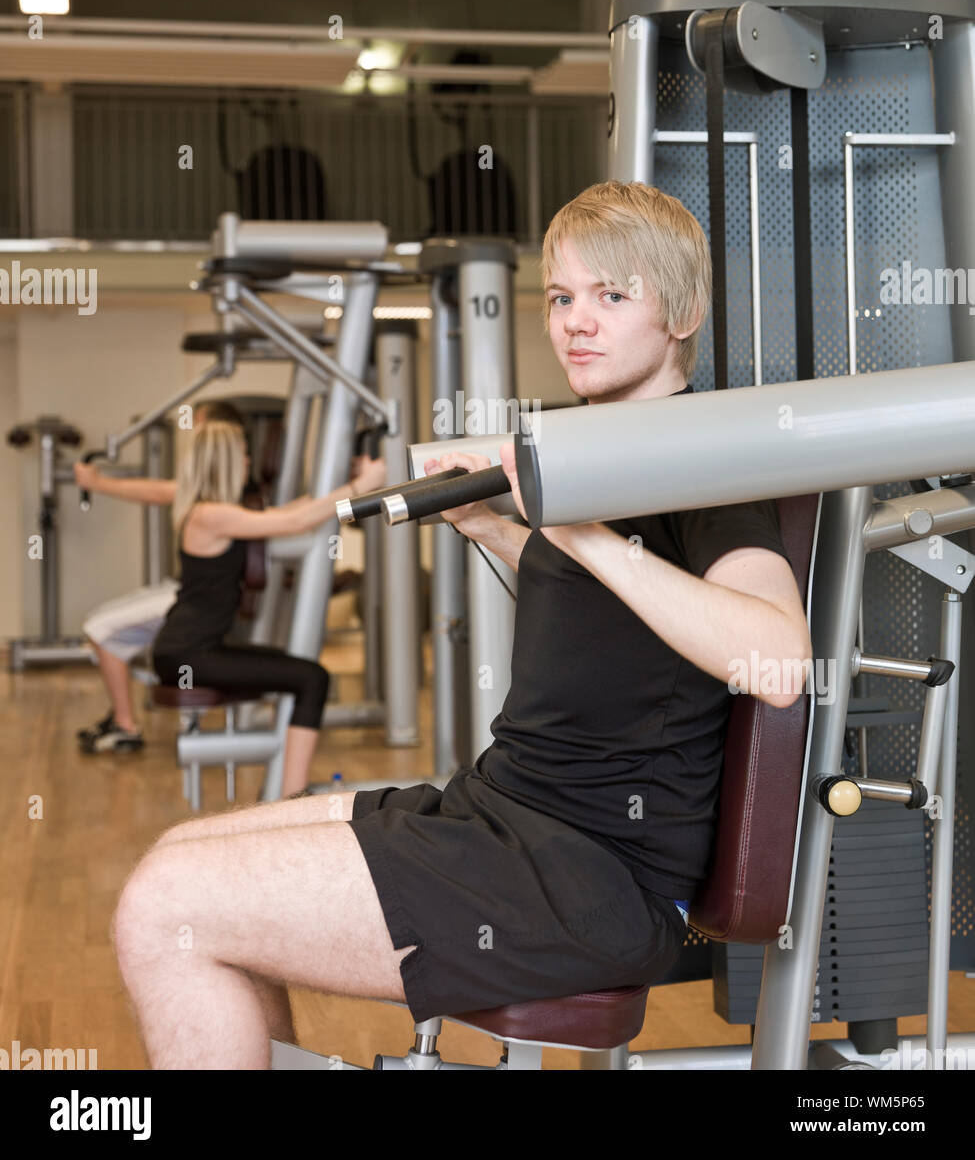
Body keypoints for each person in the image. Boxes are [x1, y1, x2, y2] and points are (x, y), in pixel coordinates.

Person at [112, 181, 812, 1070]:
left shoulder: (702, 466)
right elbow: (612, 615)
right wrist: (501, 532)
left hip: (586, 874)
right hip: (500, 810)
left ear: (681, 313)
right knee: (179, 855)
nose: (575, 323)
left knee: (165, 906)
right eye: (561, 297)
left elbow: (779, 662)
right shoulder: (597, 452)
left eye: (611, 296)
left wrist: (576, 528)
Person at [149, 417, 385, 798]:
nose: (247, 461)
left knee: (293, 668)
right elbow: (294, 522)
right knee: (312, 678)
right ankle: (293, 797)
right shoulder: (209, 515)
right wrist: (361, 487)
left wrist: (345, 478)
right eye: (242, 453)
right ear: (224, 460)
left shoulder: (214, 511)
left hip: (189, 649)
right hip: (187, 654)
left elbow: (286, 512)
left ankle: (287, 787)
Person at [74, 399, 246, 754]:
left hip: (195, 599)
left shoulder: (222, 489)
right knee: (98, 626)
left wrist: (99, 482)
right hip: (187, 590)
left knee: (99, 630)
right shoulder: (216, 486)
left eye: (199, 429)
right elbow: (165, 491)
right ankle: (121, 714)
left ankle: (126, 726)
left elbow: (161, 492)